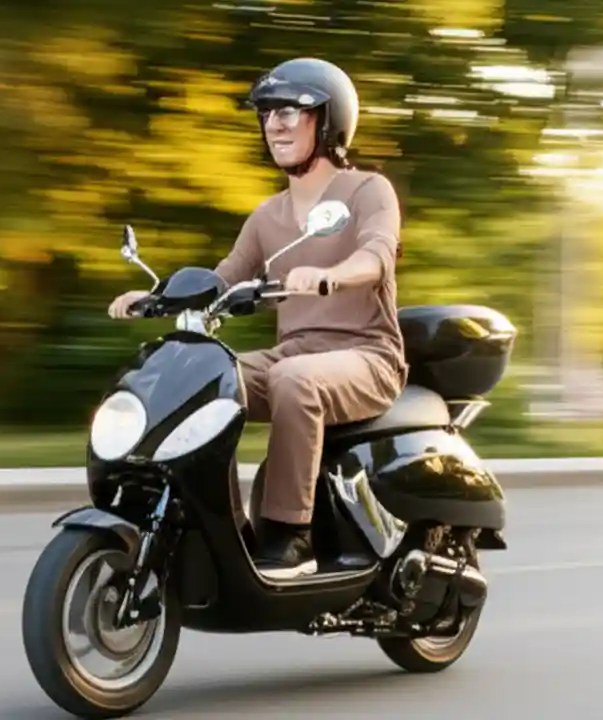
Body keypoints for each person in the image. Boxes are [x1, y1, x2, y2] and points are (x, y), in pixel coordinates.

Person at [108, 57, 406, 579]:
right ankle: (219, 525)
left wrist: (330, 275)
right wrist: (156, 296)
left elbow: (377, 255)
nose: (276, 123)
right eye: (268, 112)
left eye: (293, 110)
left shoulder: (367, 191)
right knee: (197, 381)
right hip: (294, 353)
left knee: (295, 381)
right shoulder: (267, 216)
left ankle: (291, 536)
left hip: (366, 354)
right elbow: (222, 279)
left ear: (330, 121)